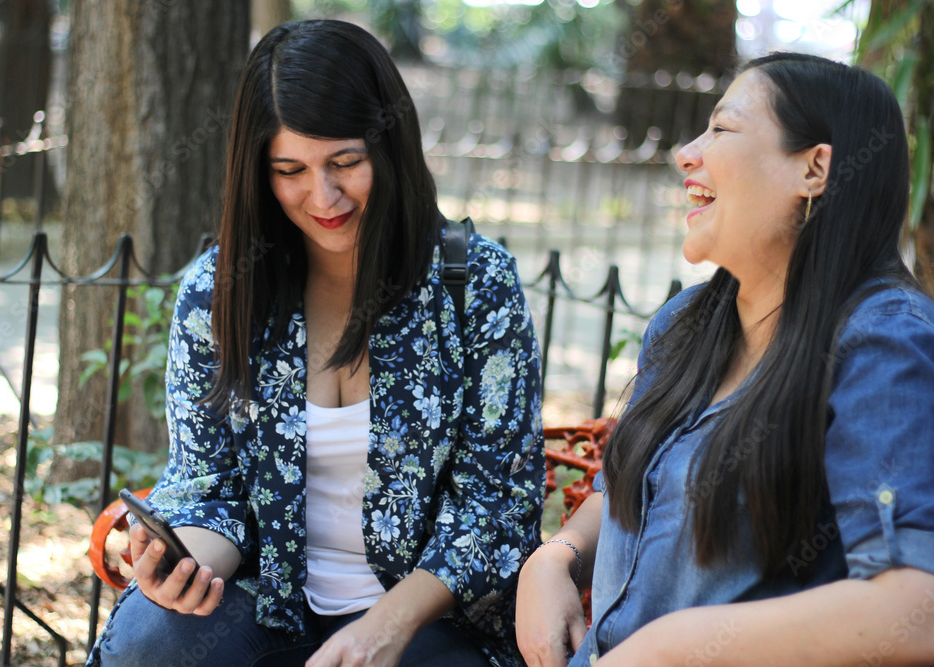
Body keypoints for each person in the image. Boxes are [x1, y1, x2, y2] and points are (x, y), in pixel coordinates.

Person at [87, 19, 544, 667]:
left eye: (345, 162)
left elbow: (497, 511)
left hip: (427, 616)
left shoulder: (474, 284)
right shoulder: (219, 292)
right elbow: (208, 481)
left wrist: (383, 626)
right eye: (289, 170)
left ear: (390, 146)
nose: (322, 196)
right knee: (150, 644)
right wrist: (188, 564)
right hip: (263, 598)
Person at [516, 52, 934, 666]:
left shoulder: (883, 342)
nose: (687, 153)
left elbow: (914, 609)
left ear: (816, 168)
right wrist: (557, 558)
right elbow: (634, 486)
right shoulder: (687, 323)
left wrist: (673, 647)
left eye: (722, 129)